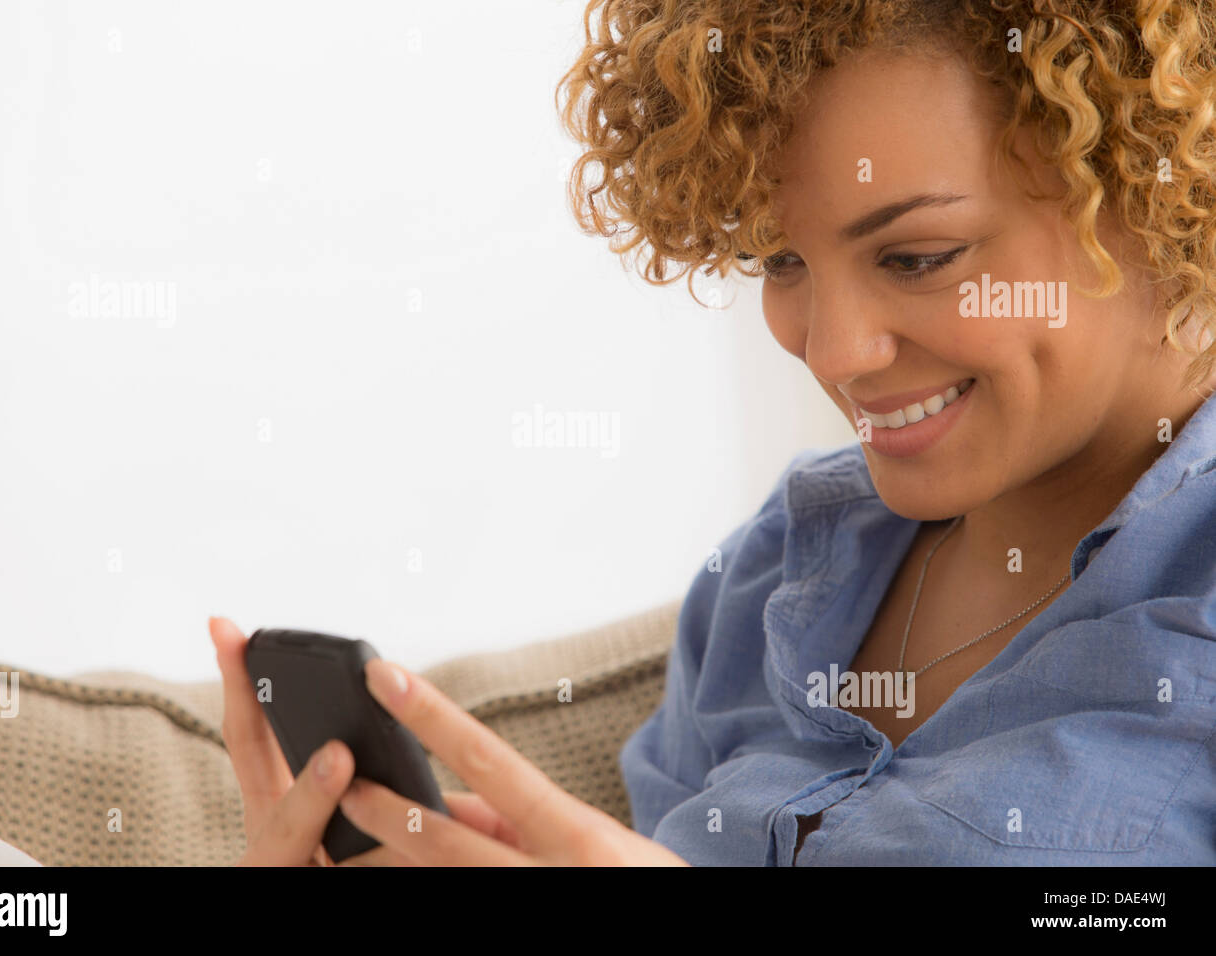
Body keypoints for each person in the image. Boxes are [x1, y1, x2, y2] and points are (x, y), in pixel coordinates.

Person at [215, 0, 1216, 865]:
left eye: (917, 256)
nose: (832, 349)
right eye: (779, 262)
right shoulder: (769, 583)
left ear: (1164, 184)